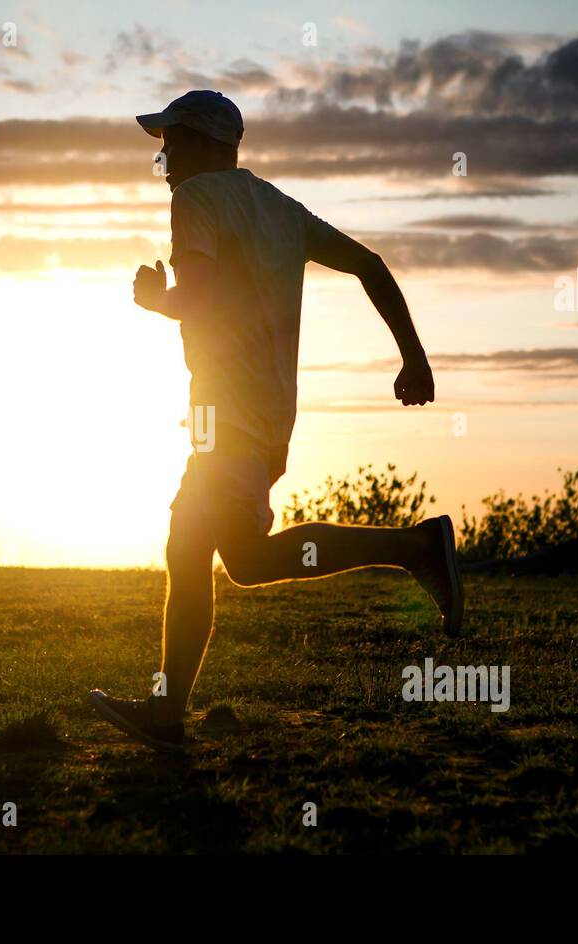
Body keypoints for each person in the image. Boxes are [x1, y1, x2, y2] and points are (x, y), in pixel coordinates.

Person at [88, 90, 463, 752]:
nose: (165, 159)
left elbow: (198, 299)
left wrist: (153, 300)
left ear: (205, 145)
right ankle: (416, 547)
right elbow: (370, 265)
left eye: (170, 144)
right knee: (244, 560)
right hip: (262, 414)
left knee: (189, 544)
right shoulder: (280, 209)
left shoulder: (196, 200)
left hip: (226, 409)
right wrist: (415, 356)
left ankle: (167, 715)